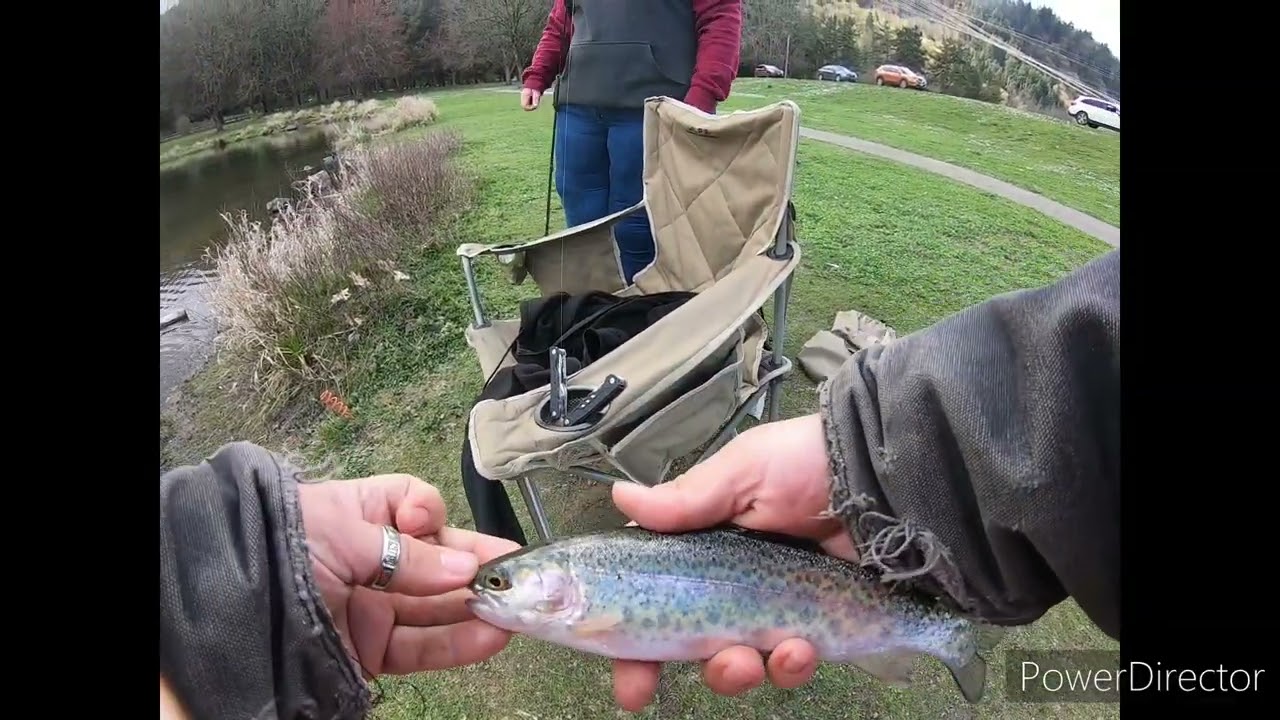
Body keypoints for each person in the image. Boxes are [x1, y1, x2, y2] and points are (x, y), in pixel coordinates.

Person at [159, 249, 1119, 717]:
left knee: (779, 654)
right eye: (502, 582)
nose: (493, 590)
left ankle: (937, 631)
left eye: (505, 581)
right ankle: (939, 629)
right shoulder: (576, 596)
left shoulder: (580, 595)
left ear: (557, 586)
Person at [520, 0, 743, 284]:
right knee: (582, 224)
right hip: (577, 108)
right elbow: (560, 22)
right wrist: (538, 74)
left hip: (651, 107)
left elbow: (720, 16)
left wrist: (703, 96)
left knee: (636, 224)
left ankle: (638, 303)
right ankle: (591, 303)